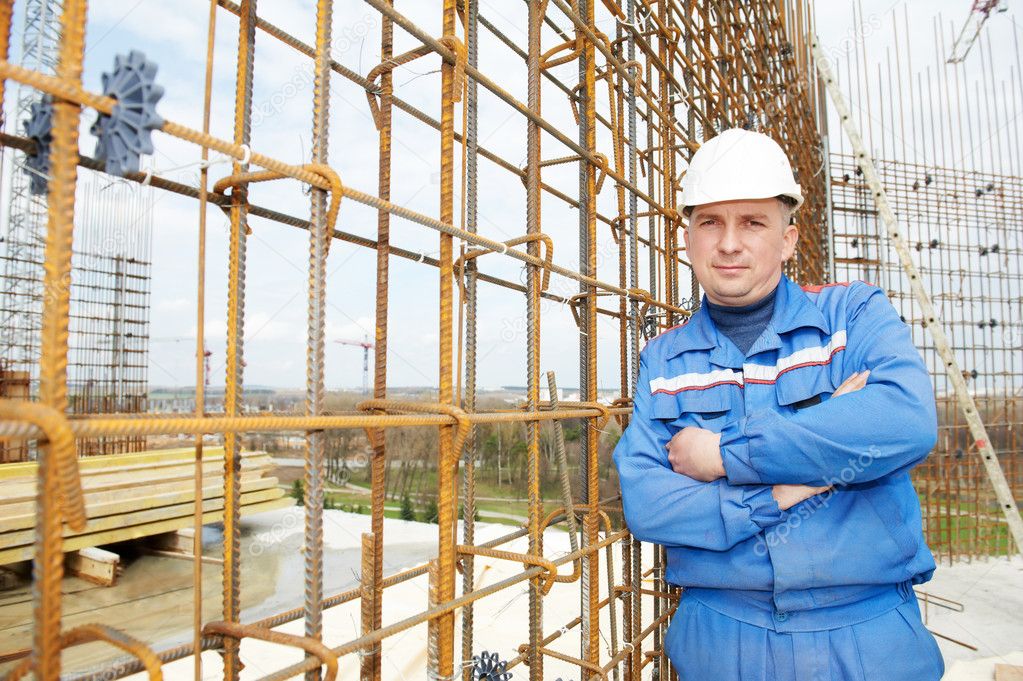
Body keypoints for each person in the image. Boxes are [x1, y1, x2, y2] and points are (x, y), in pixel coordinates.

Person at [612, 128, 945, 680]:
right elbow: (649, 504)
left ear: (789, 239)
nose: (729, 243)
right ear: (687, 239)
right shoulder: (665, 361)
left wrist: (723, 455)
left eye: (753, 222)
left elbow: (903, 421)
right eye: (710, 222)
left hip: (868, 636)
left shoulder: (851, 315)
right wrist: (796, 484)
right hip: (721, 640)